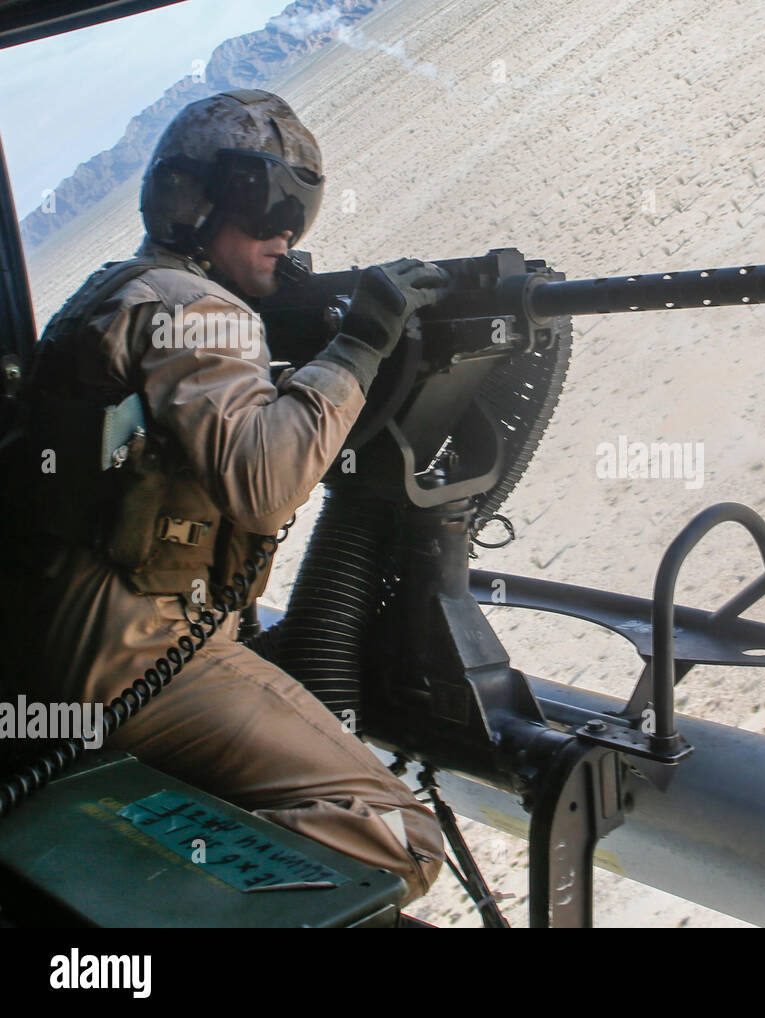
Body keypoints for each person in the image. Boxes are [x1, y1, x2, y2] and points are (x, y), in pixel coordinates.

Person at [0, 89, 447, 909]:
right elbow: (265, 481)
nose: (286, 229)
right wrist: (358, 348)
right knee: (398, 835)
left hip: (42, 659)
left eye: (301, 209)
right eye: (265, 199)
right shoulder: (202, 311)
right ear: (190, 199)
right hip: (137, 663)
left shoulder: (111, 294)